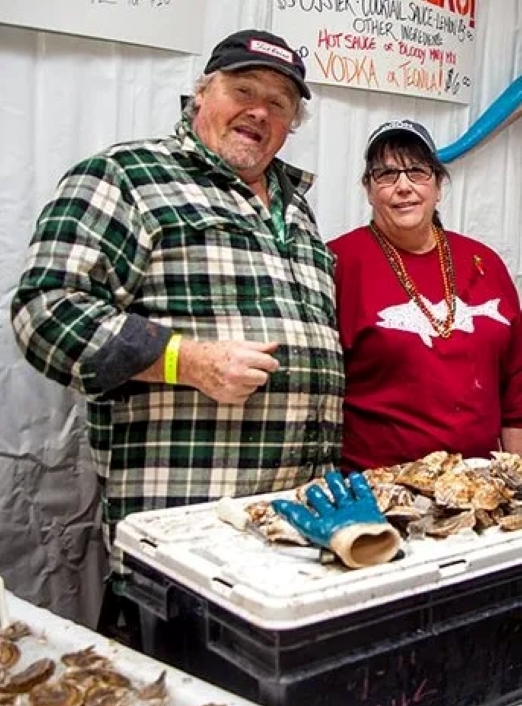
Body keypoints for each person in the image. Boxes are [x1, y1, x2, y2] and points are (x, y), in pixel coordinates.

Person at [10, 29, 344, 594]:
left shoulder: (298, 210)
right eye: (243, 90)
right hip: (187, 528)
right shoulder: (127, 175)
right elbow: (45, 311)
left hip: (294, 532)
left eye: (279, 103)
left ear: (291, 125)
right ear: (200, 96)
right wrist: (184, 360)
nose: (259, 111)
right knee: (176, 677)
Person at [329, 119, 522, 473]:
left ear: (438, 185)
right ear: (368, 189)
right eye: (386, 175)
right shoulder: (338, 263)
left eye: (417, 171)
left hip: (478, 483)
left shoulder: (485, 263)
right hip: (380, 486)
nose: (403, 187)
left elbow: (517, 387)